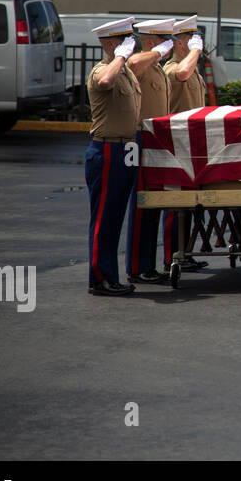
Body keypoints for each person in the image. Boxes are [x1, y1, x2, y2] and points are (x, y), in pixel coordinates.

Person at [85, 17, 141, 296]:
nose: (130, 45)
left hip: (126, 149)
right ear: (110, 44)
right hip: (107, 149)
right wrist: (118, 57)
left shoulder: (125, 72)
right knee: (104, 217)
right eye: (123, 40)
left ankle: (110, 275)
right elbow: (106, 81)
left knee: (115, 215)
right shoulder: (102, 70)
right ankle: (100, 278)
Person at [124, 18, 176, 285]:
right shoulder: (141, 63)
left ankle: (147, 264)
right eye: (164, 40)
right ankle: (137, 266)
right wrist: (157, 52)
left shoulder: (157, 69)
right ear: (150, 41)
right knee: (142, 205)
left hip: (157, 141)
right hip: (140, 140)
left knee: (154, 205)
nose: (170, 46)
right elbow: (131, 64)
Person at [161, 15, 208, 272]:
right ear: (180, 44)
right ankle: (172, 256)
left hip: (194, 146)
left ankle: (184, 251)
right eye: (191, 38)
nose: (196, 44)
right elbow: (181, 72)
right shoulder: (172, 68)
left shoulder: (193, 68)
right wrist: (196, 51)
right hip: (178, 146)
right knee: (177, 204)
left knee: (191, 204)